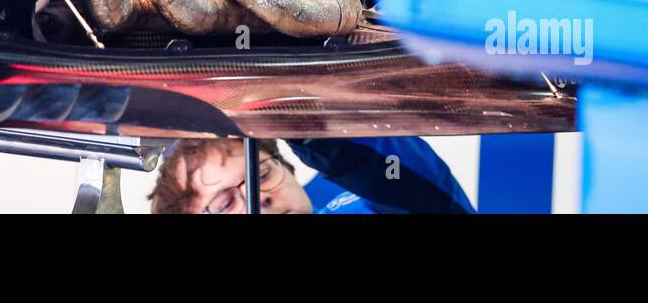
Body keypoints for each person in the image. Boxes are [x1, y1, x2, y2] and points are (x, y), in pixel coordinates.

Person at [149, 136, 476, 214]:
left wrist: (311, 130)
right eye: (224, 203)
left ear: (288, 169)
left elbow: (427, 192)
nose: (259, 199)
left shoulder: (364, 205)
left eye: (261, 174)